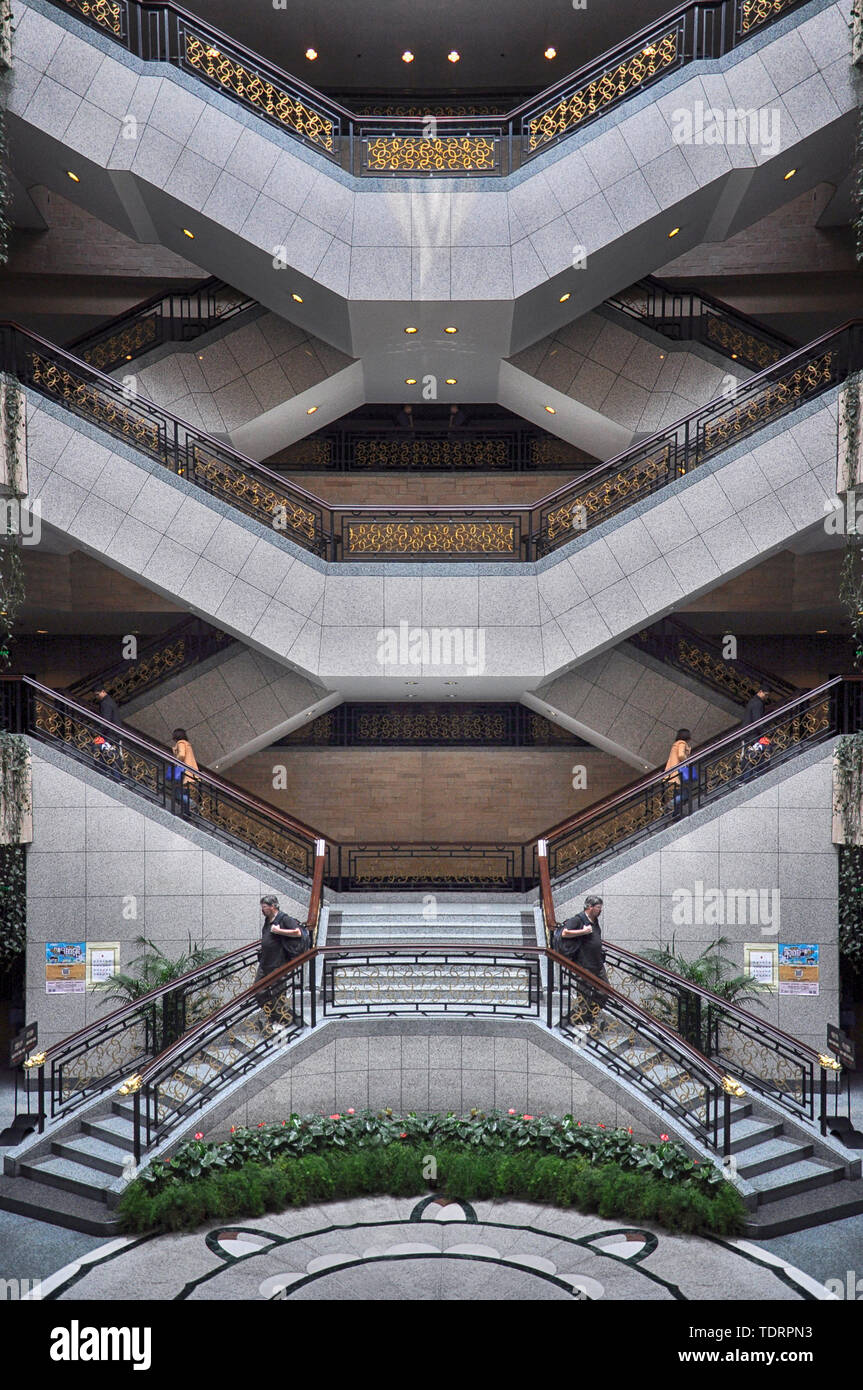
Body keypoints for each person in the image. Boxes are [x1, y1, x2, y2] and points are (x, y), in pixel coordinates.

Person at [554, 895, 611, 1030]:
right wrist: (583, 931)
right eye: (598, 908)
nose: (600, 910)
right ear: (590, 907)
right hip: (583, 964)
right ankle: (581, 1021)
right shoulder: (578, 919)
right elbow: (564, 933)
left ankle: (591, 1015)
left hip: (597, 963)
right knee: (584, 993)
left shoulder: (594, 920)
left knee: (604, 990)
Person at [254, 895, 308, 1032]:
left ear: (273, 906)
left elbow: (298, 932)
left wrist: (279, 931)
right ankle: (272, 1015)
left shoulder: (284, 918)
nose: (262, 910)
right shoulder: (268, 920)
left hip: (278, 964)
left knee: (278, 993)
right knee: (259, 990)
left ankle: (280, 1020)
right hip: (265, 962)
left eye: (264, 907)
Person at [664, 728, 693, 818]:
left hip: (672, 772)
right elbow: (681, 755)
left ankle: (676, 814)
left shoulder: (675, 744)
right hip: (678, 772)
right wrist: (687, 761)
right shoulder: (682, 743)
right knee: (685, 793)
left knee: (678, 793)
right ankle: (670, 804)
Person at [171, 728, 199, 806]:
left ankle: (190, 803)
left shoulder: (181, 743)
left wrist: (175, 759)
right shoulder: (187, 744)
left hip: (183, 771)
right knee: (185, 791)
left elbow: (182, 755)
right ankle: (188, 812)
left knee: (177, 792)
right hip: (190, 772)